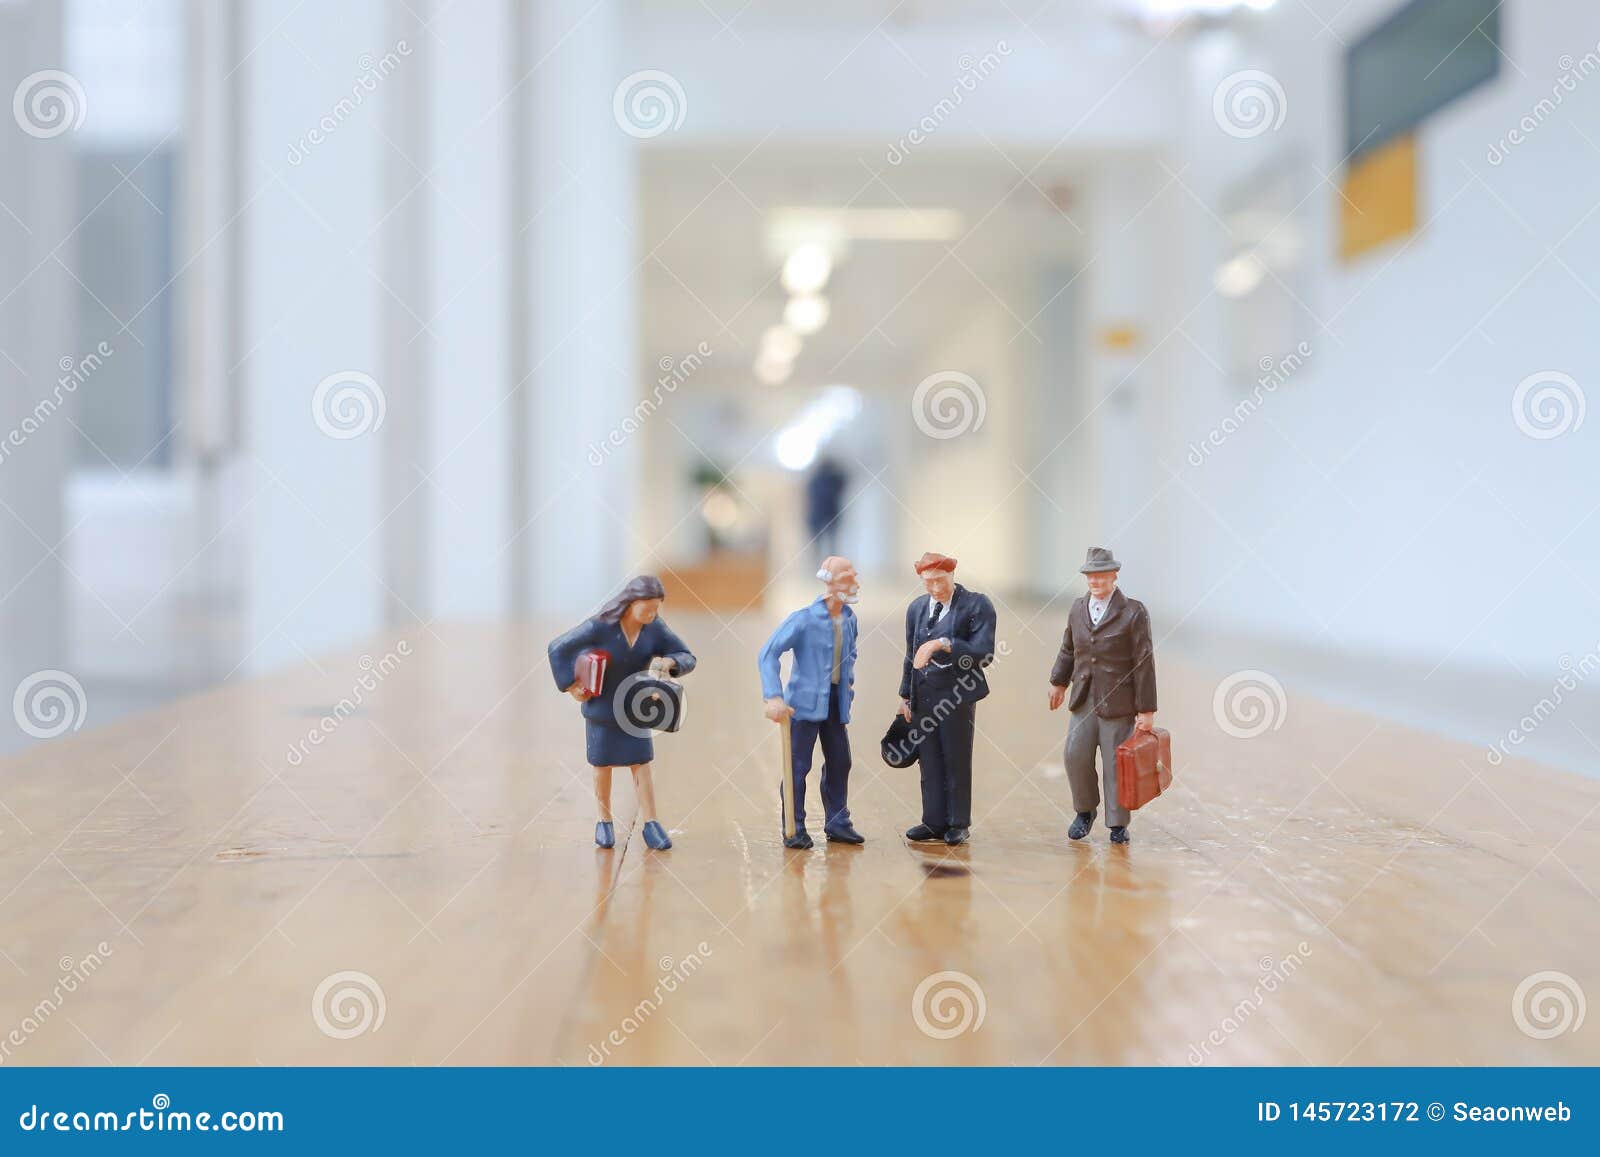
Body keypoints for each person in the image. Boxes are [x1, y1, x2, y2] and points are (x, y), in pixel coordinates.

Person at [547, 575, 696, 850]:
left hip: (636, 709)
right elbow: (558, 648)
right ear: (630, 602)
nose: (652, 615)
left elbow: (686, 655)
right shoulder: (599, 627)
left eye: (656, 609)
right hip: (602, 710)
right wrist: (571, 686)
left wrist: (670, 662)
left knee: (641, 765)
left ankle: (651, 822)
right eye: (647, 608)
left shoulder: (654, 628)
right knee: (602, 767)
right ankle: (603, 820)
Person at [1047, 547, 1157, 845]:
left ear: (1114, 576)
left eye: (1101, 576)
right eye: (1090, 576)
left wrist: (1146, 709)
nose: (1095, 581)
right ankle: (1084, 810)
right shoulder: (1077, 608)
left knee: (1115, 763)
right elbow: (1068, 648)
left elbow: (1143, 662)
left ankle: (1118, 823)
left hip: (1118, 702)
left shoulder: (1133, 612)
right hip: (1084, 698)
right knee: (1074, 754)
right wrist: (1058, 681)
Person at [757, 556, 864, 849]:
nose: (854, 583)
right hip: (802, 706)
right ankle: (794, 827)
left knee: (840, 761)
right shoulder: (803, 619)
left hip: (836, 703)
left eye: (854, 577)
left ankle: (838, 822)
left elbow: (850, 655)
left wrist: (848, 684)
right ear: (830, 582)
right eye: (848, 578)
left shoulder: (850, 619)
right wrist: (773, 696)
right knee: (797, 767)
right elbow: (768, 654)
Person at [898, 552, 997, 846]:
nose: (935, 587)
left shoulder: (976, 605)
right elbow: (910, 655)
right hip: (924, 694)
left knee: (956, 757)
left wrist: (944, 644)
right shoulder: (917, 608)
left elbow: (984, 653)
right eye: (928, 582)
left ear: (952, 574)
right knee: (928, 759)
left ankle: (957, 822)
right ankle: (933, 820)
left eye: (940, 580)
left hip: (957, 695)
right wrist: (905, 695)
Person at [805, 457, 848, 562]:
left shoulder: (818, 480)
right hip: (824, 514)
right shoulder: (831, 480)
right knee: (826, 542)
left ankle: (826, 563)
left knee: (826, 542)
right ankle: (825, 562)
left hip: (825, 514)